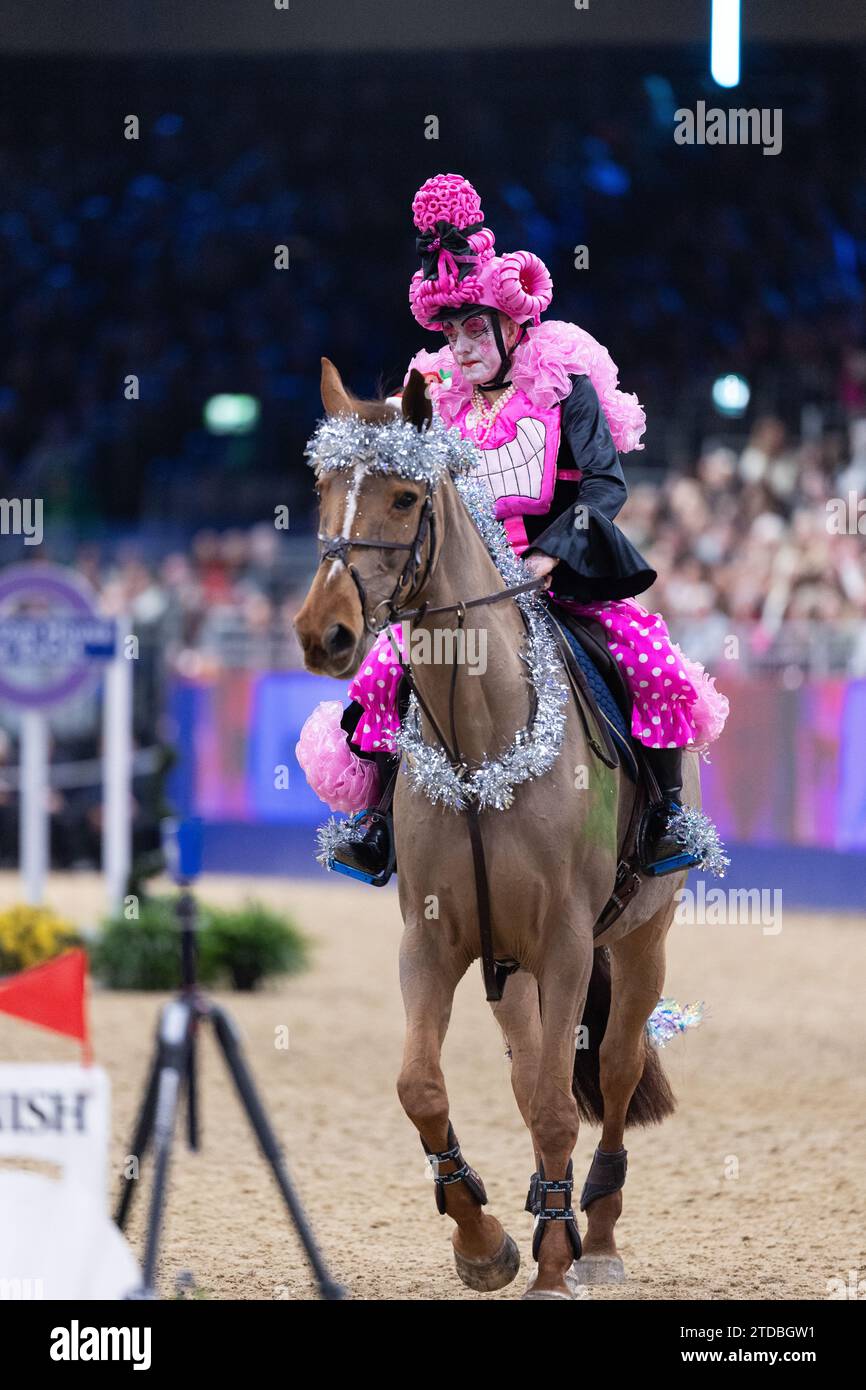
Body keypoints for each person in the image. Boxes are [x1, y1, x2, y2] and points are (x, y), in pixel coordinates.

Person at [298, 173, 728, 880]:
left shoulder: (565, 388)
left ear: (510, 324)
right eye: (450, 332)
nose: (462, 346)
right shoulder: (431, 400)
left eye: (475, 328)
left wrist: (552, 559)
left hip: (558, 576)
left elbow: (604, 484)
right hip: (459, 583)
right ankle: (375, 825)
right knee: (379, 675)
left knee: (650, 665)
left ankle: (665, 818)